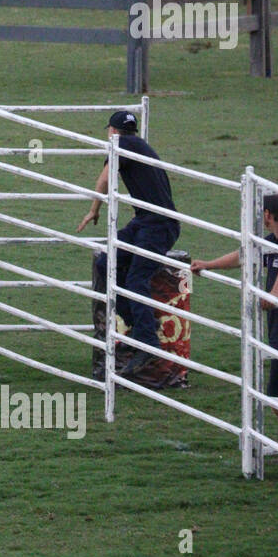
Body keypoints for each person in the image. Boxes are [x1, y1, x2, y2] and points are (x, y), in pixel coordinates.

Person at [191, 194, 278, 448]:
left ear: (267, 215)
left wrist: (273, 294)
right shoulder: (274, 240)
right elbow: (244, 256)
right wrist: (209, 265)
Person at [77, 110, 180, 376]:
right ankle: (143, 326)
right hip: (146, 221)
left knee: (135, 279)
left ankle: (147, 342)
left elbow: (104, 178)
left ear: (112, 131)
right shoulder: (138, 145)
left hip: (157, 225)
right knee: (105, 263)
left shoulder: (120, 145)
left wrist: (94, 209)